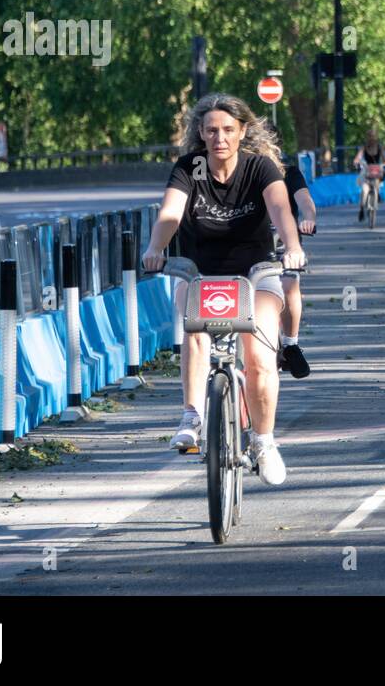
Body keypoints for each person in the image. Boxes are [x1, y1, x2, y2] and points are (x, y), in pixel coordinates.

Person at [142, 93, 306, 486]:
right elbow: (170, 213)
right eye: (212, 130)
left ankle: (264, 442)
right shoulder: (189, 169)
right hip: (201, 271)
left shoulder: (260, 167)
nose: (220, 138)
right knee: (193, 326)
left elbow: (281, 210)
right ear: (200, 132)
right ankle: (192, 416)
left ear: (242, 132)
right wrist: (155, 248)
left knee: (259, 353)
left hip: (256, 272)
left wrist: (294, 246)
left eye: (228, 130)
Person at [278, 158, 316, 379]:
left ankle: (290, 344)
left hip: (281, 245)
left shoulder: (289, 172)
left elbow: (304, 200)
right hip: (244, 247)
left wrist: (308, 218)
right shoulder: (237, 170)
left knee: (289, 284)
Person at [354, 128, 385, 222]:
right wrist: (357, 163)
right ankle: (362, 209)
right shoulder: (364, 148)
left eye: (373, 136)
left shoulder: (379, 147)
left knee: (379, 180)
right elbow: (357, 158)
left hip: (376, 170)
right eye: (369, 136)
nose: (371, 138)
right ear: (367, 137)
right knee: (364, 190)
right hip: (367, 171)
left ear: (376, 137)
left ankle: (377, 194)